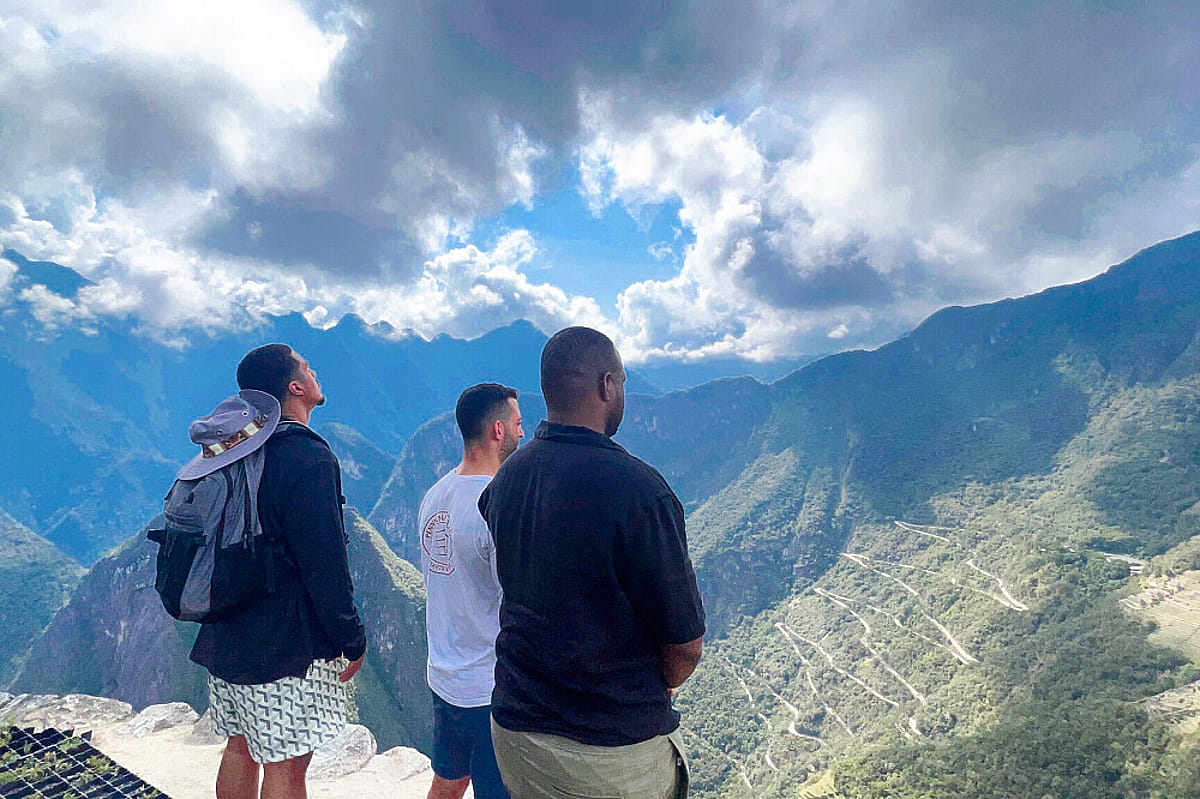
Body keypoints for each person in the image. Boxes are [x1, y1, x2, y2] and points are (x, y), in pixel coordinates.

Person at [478, 327, 706, 799]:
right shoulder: (640, 492)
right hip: (608, 754)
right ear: (607, 385)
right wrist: (648, 687)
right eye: (621, 382)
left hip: (517, 729)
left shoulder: (507, 478)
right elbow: (685, 647)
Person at [190, 343, 367, 799]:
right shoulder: (308, 458)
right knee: (287, 767)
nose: (315, 373)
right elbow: (325, 562)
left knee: (240, 748)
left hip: (226, 628)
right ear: (295, 387)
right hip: (282, 645)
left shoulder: (232, 450)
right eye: (308, 368)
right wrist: (351, 637)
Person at [417, 383, 524, 799]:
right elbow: (517, 600)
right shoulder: (495, 503)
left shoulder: (435, 494)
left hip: (444, 675)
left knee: (449, 778)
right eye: (517, 424)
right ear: (498, 430)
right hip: (488, 688)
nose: (522, 432)